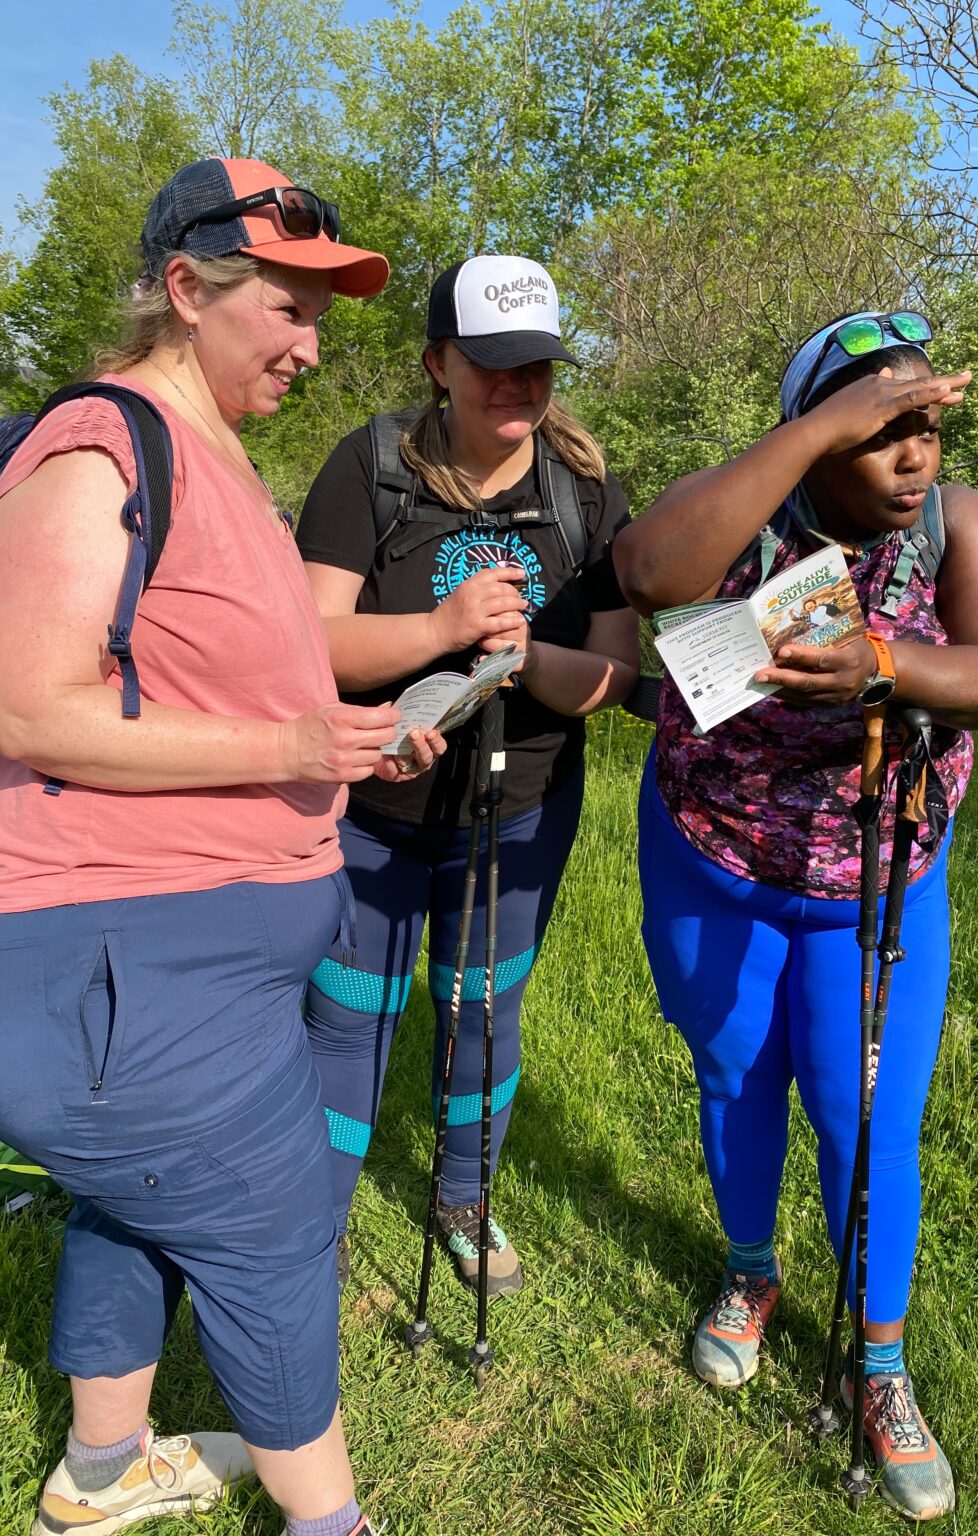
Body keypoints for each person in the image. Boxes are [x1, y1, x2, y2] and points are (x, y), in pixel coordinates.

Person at [0, 157, 443, 1536]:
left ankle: (105, 1467)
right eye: (290, 306)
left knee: (138, 1210)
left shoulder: (217, 458)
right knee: (272, 1241)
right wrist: (296, 755)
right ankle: (332, 1525)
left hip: (180, 975)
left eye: (324, 313)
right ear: (187, 290)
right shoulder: (101, 442)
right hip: (129, 979)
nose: (313, 344)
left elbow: (211, 688)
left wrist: (348, 731)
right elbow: (31, 704)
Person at [613, 311, 978, 1521]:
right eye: (883, 433)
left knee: (866, 1121)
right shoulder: (752, 519)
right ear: (815, 433)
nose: (916, 459)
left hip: (879, 878)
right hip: (717, 855)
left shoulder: (958, 527)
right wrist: (803, 441)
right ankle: (752, 1277)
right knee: (735, 1075)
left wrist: (886, 669)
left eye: (929, 431)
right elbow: (648, 577)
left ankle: (881, 1364)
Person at [295, 253, 640, 1296]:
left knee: (483, 1008)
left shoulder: (584, 487)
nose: (519, 386)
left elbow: (619, 676)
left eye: (537, 364)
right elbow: (309, 642)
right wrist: (443, 631)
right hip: (373, 802)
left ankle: (464, 1196)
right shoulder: (372, 468)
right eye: (492, 364)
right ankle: (320, 1215)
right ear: (438, 362)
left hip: (520, 808)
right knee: (350, 1010)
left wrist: (520, 657)